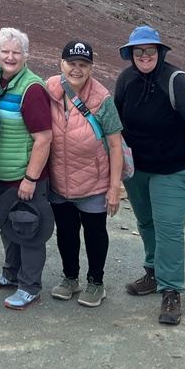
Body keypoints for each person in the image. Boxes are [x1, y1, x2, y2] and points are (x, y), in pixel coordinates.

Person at [114, 25, 185, 325]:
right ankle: (153, 273)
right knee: (146, 222)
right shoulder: (126, 80)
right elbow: (117, 120)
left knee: (168, 228)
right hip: (138, 170)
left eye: (150, 51)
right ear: (130, 54)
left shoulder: (177, 81)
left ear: (160, 52)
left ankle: (171, 291)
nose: (144, 56)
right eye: (138, 51)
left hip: (175, 169)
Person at [46, 39, 123, 308]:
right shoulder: (50, 89)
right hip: (59, 181)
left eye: (83, 64)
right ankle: (70, 278)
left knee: (94, 234)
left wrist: (114, 188)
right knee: (65, 233)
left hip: (93, 182)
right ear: (61, 64)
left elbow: (115, 144)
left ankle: (96, 282)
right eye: (71, 63)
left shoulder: (102, 99)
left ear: (91, 68)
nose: (76, 69)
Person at [0, 27, 54, 310]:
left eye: (16, 52)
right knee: (7, 226)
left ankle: (29, 286)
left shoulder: (32, 89)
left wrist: (30, 178)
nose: (10, 57)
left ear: (26, 55)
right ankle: (10, 274)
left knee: (29, 229)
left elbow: (44, 138)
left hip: (24, 178)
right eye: (5, 51)